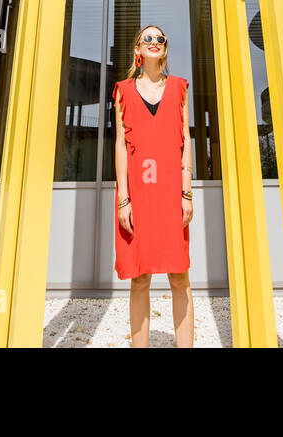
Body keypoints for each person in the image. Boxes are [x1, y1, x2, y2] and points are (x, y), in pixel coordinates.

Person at [111, 24, 193, 347]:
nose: (155, 42)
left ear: (165, 48)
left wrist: (186, 192)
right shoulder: (123, 91)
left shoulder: (178, 88)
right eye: (148, 38)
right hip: (138, 197)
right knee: (140, 278)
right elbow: (119, 146)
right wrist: (123, 199)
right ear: (137, 50)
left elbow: (186, 141)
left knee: (180, 277)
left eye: (160, 39)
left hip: (172, 194)